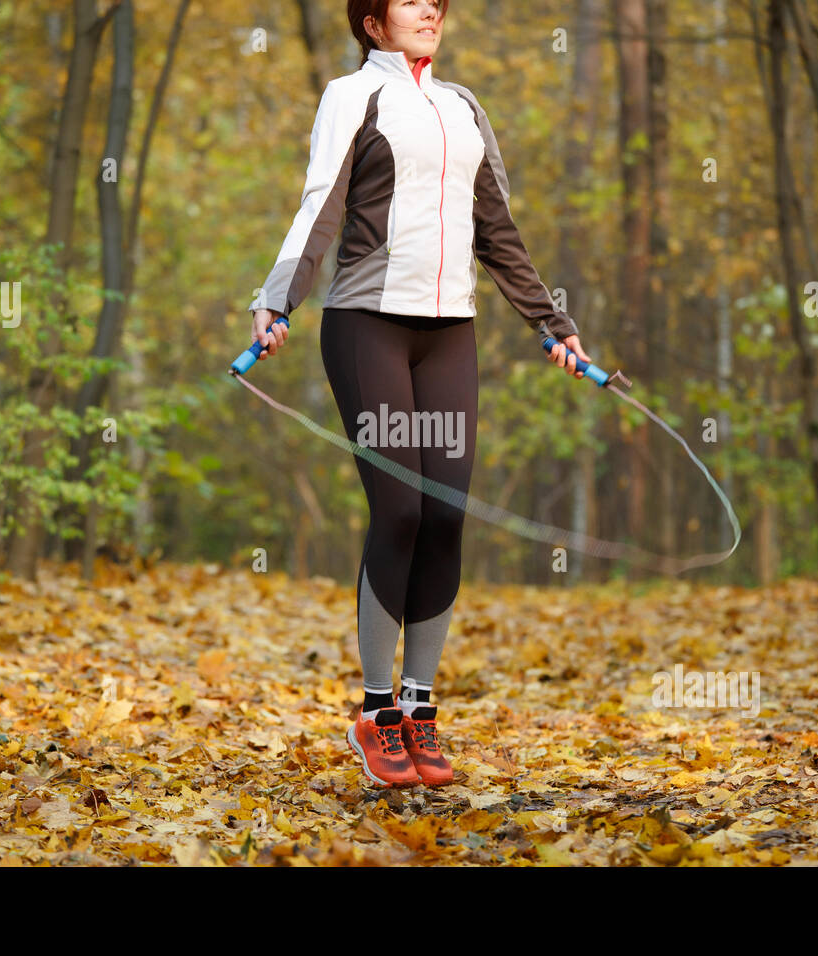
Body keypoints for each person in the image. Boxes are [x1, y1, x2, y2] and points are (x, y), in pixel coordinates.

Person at [247, 0, 593, 787]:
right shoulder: (352, 95)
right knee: (400, 507)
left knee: (445, 515)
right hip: (367, 324)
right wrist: (277, 299)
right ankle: (374, 714)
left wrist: (553, 323)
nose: (431, 7)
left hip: (449, 334)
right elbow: (320, 203)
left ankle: (420, 710)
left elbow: (497, 228)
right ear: (372, 21)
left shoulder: (463, 106)